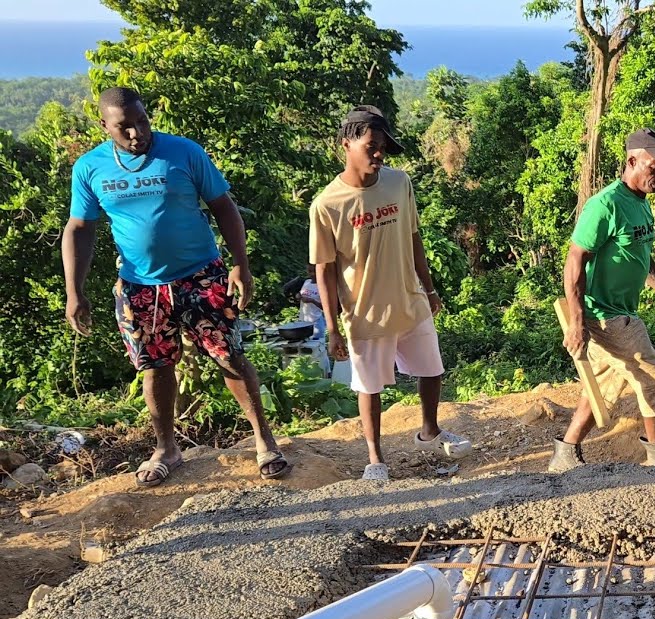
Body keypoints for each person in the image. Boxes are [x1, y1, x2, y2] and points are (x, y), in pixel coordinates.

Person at [61, 87, 290, 487]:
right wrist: (74, 291)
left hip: (201, 275)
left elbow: (224, 207)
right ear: (104, 126)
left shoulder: (183, 152)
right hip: (140, 287)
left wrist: (240, 265)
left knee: (229, 355)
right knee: (155, 366)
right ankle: (167, 448)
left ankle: (264, 441)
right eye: (124, 127)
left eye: (141, 121)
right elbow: (80, 229)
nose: (136, 133)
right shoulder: (90, 168)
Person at [309, 105, 471, 481]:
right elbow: (325, 269)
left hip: (409, 299)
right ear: (346, 143)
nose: (379, 154)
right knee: (370, 387)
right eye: (372, 146)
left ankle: (429, 431)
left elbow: (414, 238)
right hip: (365, 312)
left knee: (432, 369)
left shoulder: (399, 184)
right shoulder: (327, 205)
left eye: (383, 147)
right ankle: (375, 459)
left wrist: (429, 288)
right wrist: (333, 327)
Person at [548, 128, 655, 472]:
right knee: (654, 373)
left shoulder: (641, 206)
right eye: (653, 167)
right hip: (604, 314)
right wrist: (577, 321)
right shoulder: (605, 205)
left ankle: (565, 453)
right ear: (632, 160)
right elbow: (574, 260)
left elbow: (640, 256)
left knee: (601, 385)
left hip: (620, 309)